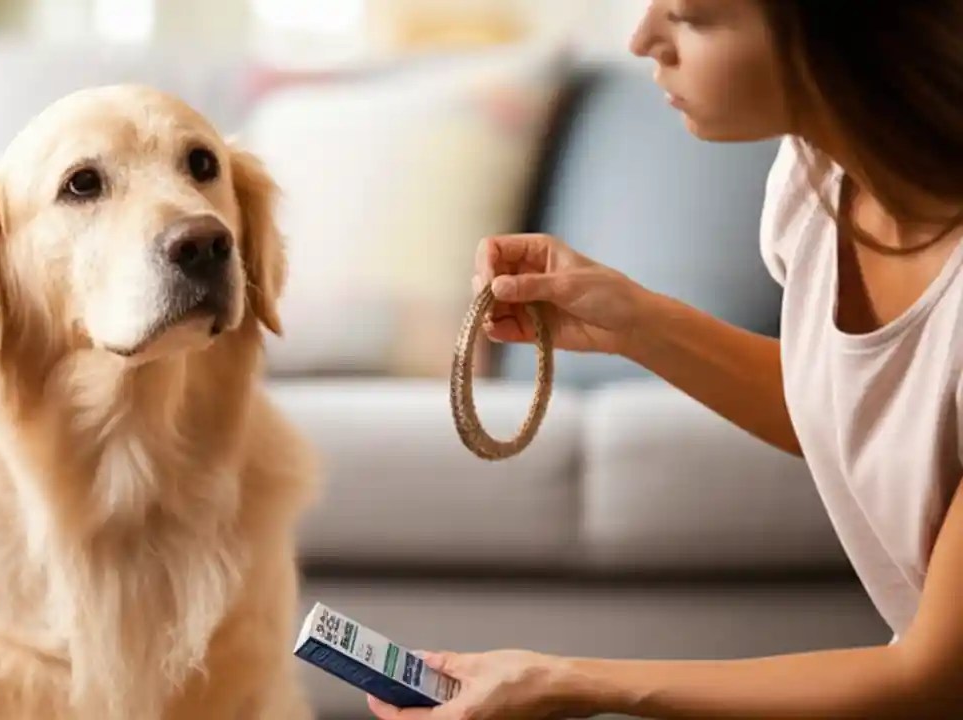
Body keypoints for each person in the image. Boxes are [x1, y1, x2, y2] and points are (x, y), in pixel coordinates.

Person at [367, 1, 963, 718]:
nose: (644, 39)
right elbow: (870, 417)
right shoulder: (816, 182)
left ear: (836, 36)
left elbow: (930, 677)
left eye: (691, 18)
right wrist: (633, 321)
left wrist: (568, 681)